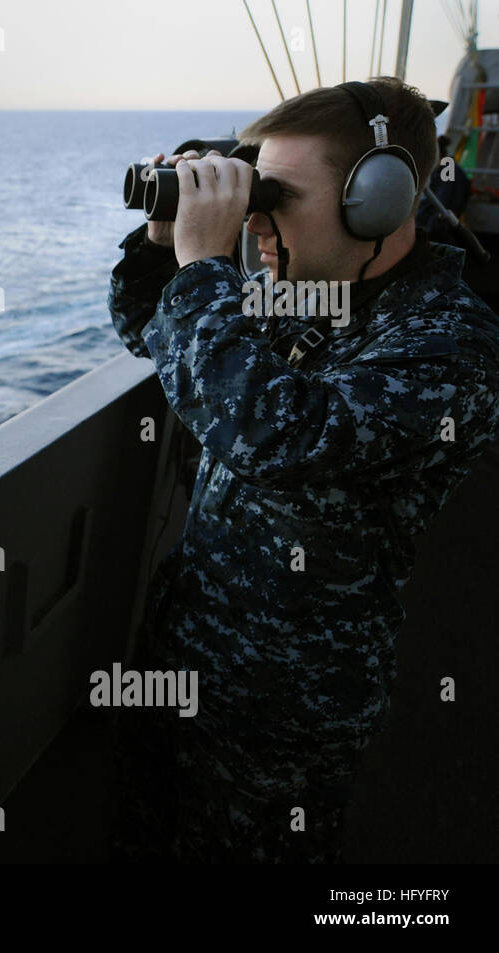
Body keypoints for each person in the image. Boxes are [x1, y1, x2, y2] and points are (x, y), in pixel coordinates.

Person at [107, 76, 499, 863]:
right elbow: (153, 335)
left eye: (277, 193)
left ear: (378, 204)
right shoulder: (308, 279)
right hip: (195, 642)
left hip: (290, 700)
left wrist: (202, 270)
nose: (255, 217)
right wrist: (163, 243)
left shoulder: (451, 346)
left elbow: (275, 436)